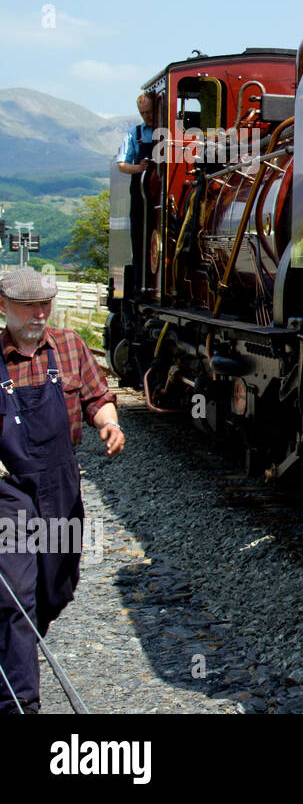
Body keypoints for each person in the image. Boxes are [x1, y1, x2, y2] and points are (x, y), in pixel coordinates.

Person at [0, 268, 124, 714]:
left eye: (44, 305)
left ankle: (13, 653)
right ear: (3, 306)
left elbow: (97, 397)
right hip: (9, 492)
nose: (38, 313)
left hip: (61, 485)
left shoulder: (69, 346)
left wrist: (108, 424)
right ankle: (19, 701)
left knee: (57, 587)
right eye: (28, 305)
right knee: (15, 593)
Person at [116, 92, 158, 296]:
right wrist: (139, 168)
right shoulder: (134, 134)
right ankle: (142, 284)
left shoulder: (172, 132)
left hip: (163, 194)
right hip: (142, 194)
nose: (147, 117)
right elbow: (122, 165)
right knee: (140, 237)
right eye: (143, 113)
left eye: (149, 112)